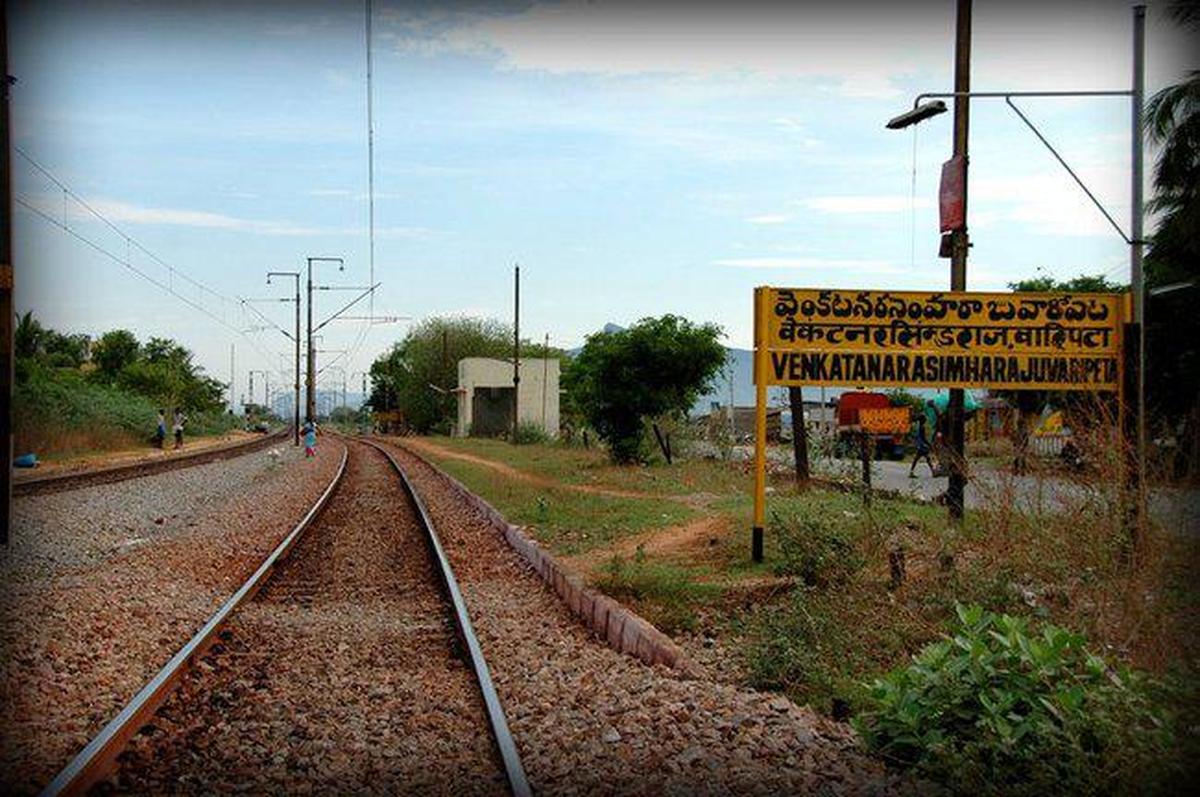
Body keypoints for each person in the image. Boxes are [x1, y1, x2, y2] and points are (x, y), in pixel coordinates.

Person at [909, 408, 934, 477]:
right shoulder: (922, 427)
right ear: (923, 420)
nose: (926, 419)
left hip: (920, 444)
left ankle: (911, 471)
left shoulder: (919, 426)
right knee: (926, 458)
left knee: (921, 458)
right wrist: (929, 444)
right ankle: (933, 472)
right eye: (925, 418)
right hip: (922, 445)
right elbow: (923, 438)